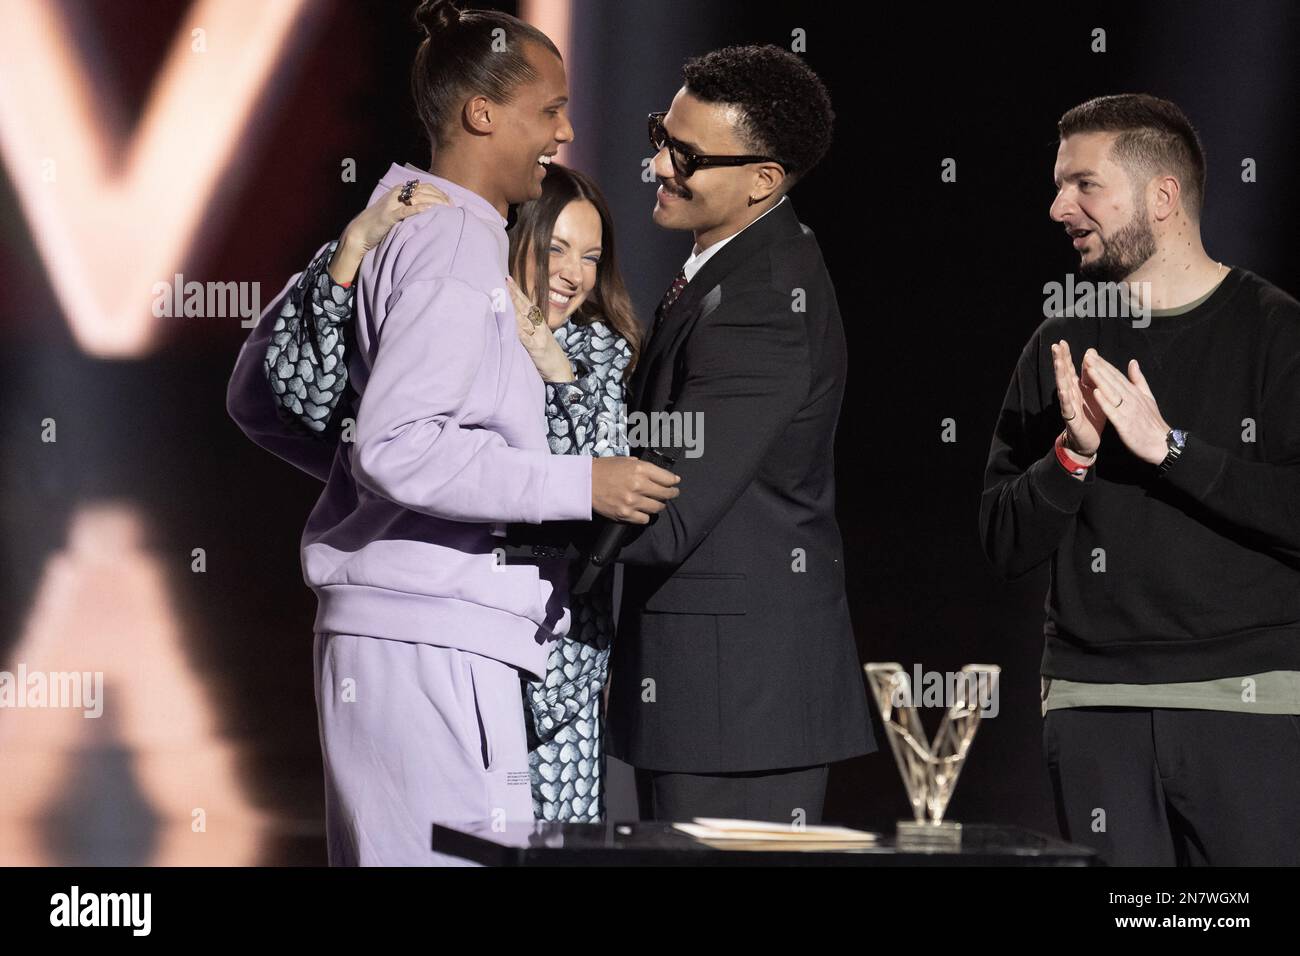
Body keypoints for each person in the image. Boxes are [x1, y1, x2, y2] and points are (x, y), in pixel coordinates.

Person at [227, 0, 677, 864]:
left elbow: (271, 403)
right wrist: (578, 482)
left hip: (430, 629)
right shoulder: (449, 240)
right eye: (549, 110)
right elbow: (400, 446)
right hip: (426, 635)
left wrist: (368, 478)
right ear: (481, 113)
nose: (568, 128)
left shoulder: (414, 223)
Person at [265, 161, 641, 823]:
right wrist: (349, 250)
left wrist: (554, 366)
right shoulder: (442, 322)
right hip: (456, 640)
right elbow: (283, 400)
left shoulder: (599, 354)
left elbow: (604, 498)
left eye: (590, 256)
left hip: (560, 656)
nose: (573, 272)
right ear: (511, 240)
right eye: (555, 248)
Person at [980, 93, 1300, 865]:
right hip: (1096, 708)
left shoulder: (1276, 331)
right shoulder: (1060, 341)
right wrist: (1073, 456)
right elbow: (1000, 540)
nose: (1059, 207)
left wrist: (1171, 448)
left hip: (1249, 701)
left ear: (1163, 196)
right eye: (1060, 185)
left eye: (1084, 185)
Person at [601, 45, 877, 825]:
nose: (658, 163)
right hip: (716, 703)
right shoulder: (733, 270)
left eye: (686, 154)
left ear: (763, 180)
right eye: (662, 135)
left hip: (736, 712)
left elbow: (669, 512)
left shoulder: (760, 299)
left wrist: (505, 505)